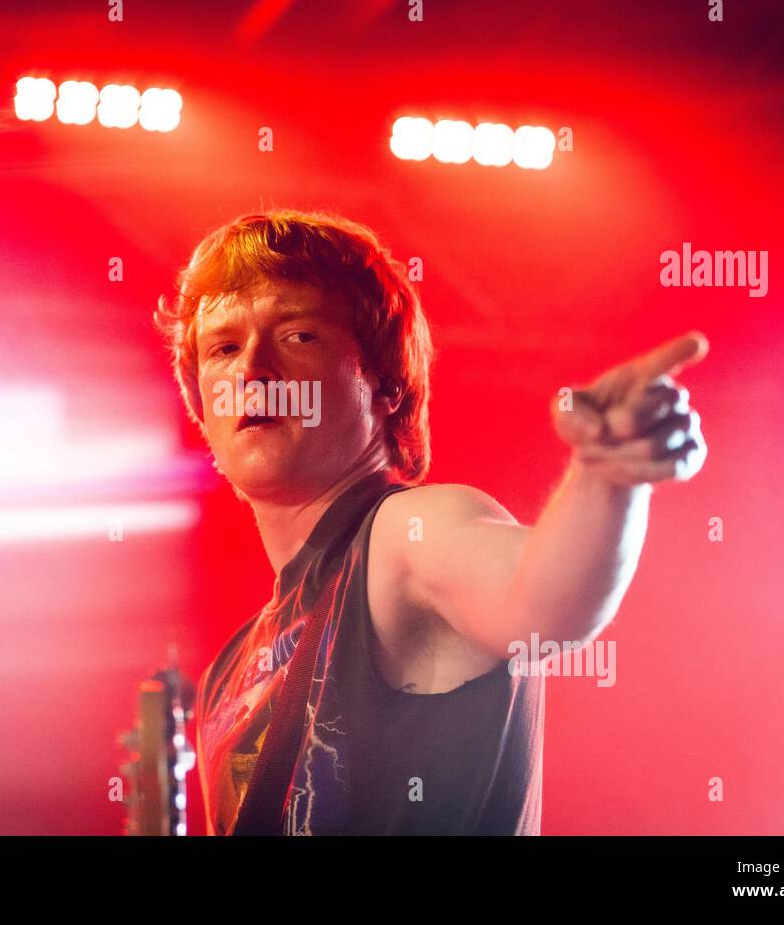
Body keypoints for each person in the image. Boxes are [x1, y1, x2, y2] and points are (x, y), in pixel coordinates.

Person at [154, 208, 707, 835]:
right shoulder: (229, 671)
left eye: (299, 335)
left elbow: (543, 602)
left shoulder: (405, 535)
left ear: (384, 384)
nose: (252, 371)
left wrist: (607, 474)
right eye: (223, 348)